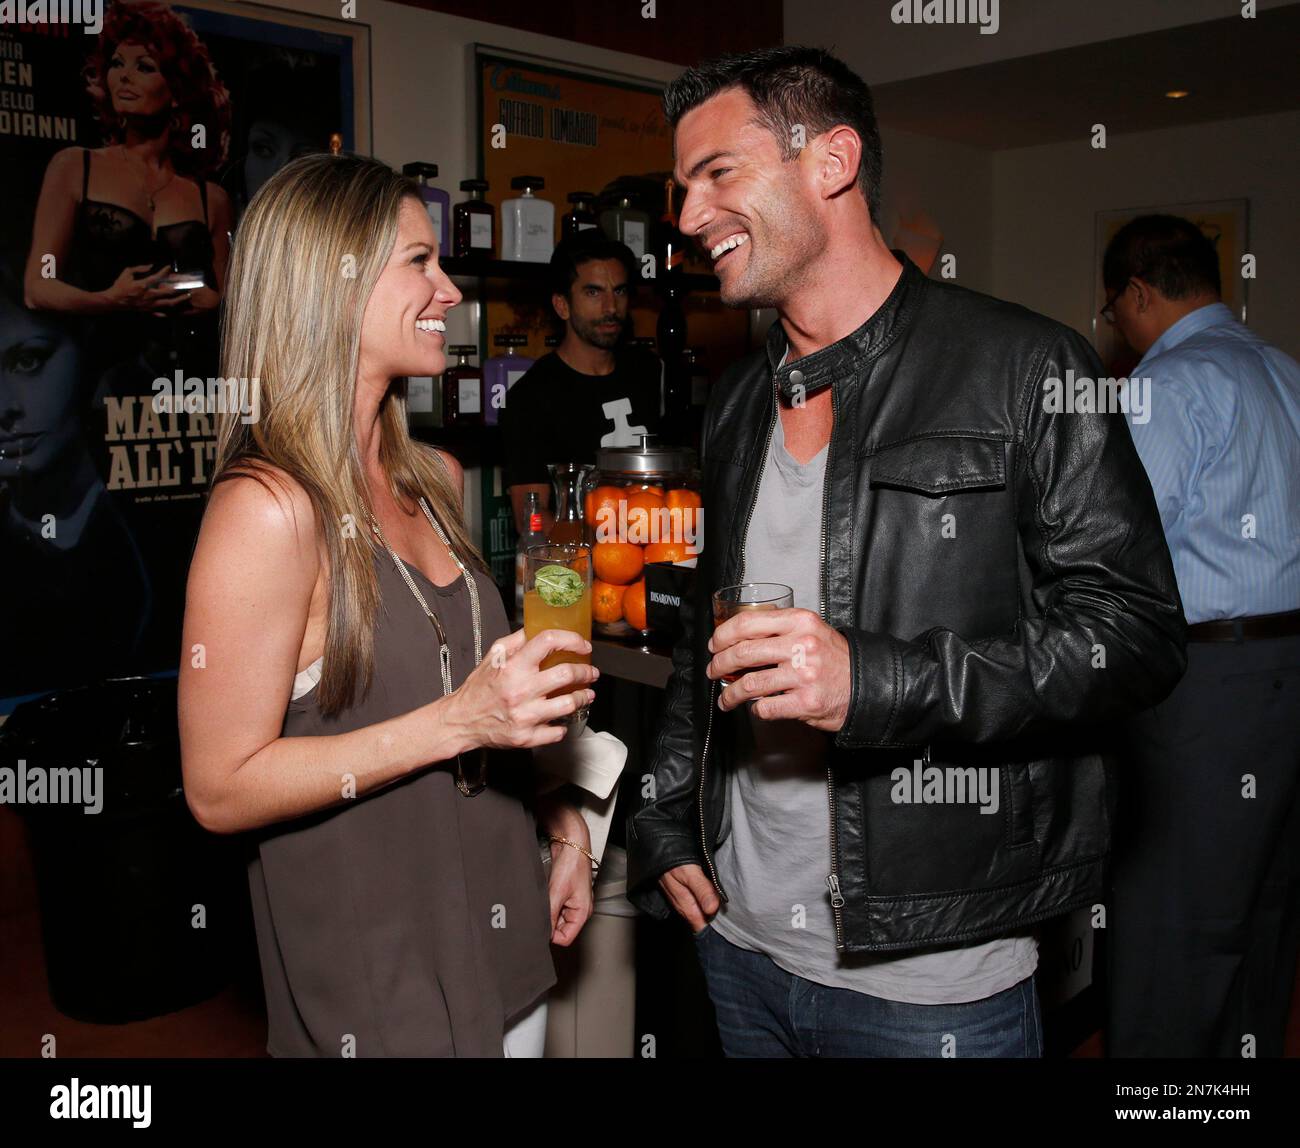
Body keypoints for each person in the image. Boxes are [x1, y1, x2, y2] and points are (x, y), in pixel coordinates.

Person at [626, 46, 1187, 1058]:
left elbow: (1135, 635)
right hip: (739, 945)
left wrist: (876, 681)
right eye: (681, 188)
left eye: (716, 174)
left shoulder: (1024, 366)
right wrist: (664, 818)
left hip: (930, 976)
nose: (688, 215)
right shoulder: (740, 399)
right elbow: (701, 642)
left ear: (831, 161)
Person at [178, 153, 601, 1057]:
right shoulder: (269, 509)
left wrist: (560, 817)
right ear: (330, 283)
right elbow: (217, 787)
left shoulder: (434, 478)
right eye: (419, 262)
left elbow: (475, 696)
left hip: (505, 953)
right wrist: (459, 722)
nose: (448, 290)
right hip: (381, 995)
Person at [1100, 214, 1300, 1058]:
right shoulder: (1284, 371)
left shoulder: (1167, 386)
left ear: (1137, 293)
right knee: (1262, 913)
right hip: (1285, 672)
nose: (1117, 326)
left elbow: (1117, 554)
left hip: (1206, 686)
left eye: (1114, 309)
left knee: (1172, 930)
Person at [23, 0, 233, 352]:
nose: (124, 75)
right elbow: (37, 287)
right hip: (102, 370)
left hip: (188, 373)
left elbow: (231, 303)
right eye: (117, 63)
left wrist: (210, 301)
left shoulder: (211, 199)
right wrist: (109, 300)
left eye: (144, 66)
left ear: (177, 91)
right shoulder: (74, 167)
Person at [502, 231, 661, 535]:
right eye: (593, 293)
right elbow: (530, 519)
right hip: (582, 562)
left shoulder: (649, 372)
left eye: (619, 291)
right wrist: (606, 545)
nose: (611, 307)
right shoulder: (530, 397)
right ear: (562, 305)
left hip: (657, 551)